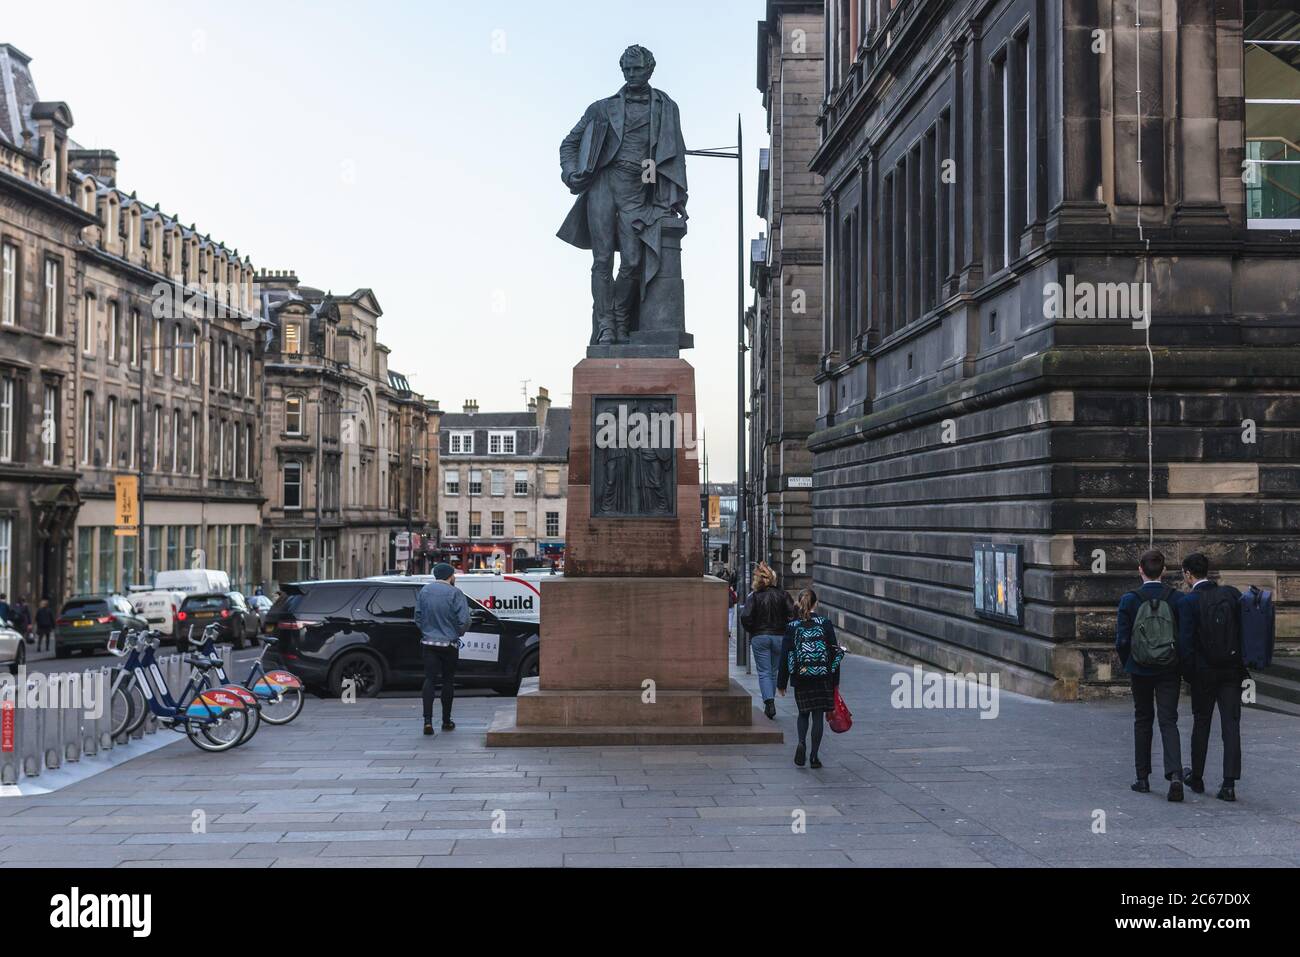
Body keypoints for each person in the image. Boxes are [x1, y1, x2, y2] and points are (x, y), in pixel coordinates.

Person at [1115, 549, 1184, 800]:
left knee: (1143, 719)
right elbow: (1184, 637)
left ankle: (1142, 778)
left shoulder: (1130, 600)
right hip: (1169, 668)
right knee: (1169, 720)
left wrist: (1130, 662)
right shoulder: (1176, 598)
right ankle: (1175, 774)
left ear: (1140, 569)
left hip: (1140, 669)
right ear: (1164, 571)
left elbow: (1122, 640)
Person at [1177, 552, 1246, 802]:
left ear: (1188, 574)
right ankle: (1229, 784)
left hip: (1203, 672)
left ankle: (1196, 778)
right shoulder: (1231, 594)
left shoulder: (1187, 602)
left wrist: (1188, 673)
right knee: (1231, 724)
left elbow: (1185, 644)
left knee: (1201, 723)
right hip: (1231, 669)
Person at [777, 588, 845, 769]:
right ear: (816, 603)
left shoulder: (792, 626)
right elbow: (833, 653)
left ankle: (801, 742)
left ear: (799, 603)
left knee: (803, 714)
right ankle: (814, 756)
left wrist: (781, 683)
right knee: (817, 716)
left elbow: (785, 655)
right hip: (822, 677)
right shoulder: (825, 623)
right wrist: (834, 681)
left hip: (801, 676)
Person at [414, 562, 471, 737]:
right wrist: (457, 633)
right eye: (453, 574)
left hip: (429, 643)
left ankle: (427, 721)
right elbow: (464, 620)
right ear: (450, 575)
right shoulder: (455, 593)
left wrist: (426, 631)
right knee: (448, 681)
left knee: (429, 680)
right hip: (449, 644)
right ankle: (446, 721)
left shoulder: (425, 591)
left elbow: (417, 616)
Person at [740, 562, 795, 720]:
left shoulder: (754, 596)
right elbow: (792, 615)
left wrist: (753, 629)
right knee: (773, 672)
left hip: (760, 636)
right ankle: (770, 702)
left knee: (764, 672)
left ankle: (769, 703)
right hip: (780, 637)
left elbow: (745, 616)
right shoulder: (783, 595)